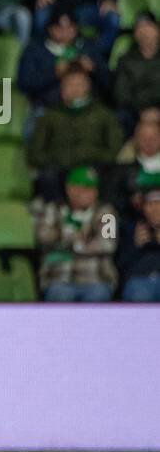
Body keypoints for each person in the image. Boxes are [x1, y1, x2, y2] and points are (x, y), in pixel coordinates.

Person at [28, 63, 123, 201]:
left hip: (94, 166)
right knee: (48, 175)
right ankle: (57, 214)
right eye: (70, 85)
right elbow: (35, 153)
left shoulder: (104, 114)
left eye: (79, 84)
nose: (75, 89)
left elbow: (114, 149)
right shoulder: (49, 116)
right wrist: (60, 158)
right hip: (60, 169)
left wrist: (91, 154)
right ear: (62, 88)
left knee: (112, 174)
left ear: (88, 86)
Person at [37, 166, 117, 302]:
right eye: (83, 188)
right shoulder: (54, 209)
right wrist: (81, 237)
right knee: (60, 295)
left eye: (92, 189)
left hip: (96, 279)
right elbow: (43, 236)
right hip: (60, 278)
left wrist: (71, 243)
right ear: (70, 189)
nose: (88, 193)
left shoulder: (106, 212)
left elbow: (107, 244)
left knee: (98, 295)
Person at [17, 9, 110, 108]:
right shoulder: (35, 51)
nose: (65, 33)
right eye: (59, 28)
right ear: (50, 29)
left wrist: (94, 69)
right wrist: (53, 73)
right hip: (48, 108)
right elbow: (25, 84)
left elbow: (109, 83)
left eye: (70, 27)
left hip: (89, 109)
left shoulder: (87, 47)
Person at [113, 12, 160, 131]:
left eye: (148, 26)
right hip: (135, 112)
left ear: (157, 30)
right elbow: (121, 93)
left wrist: (156, 110)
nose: (144, 32)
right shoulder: (125, 60)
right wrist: (142, 110)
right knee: (121, 115)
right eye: (139, 27)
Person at [119, 188, 160, 301]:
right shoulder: (132, 228)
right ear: (144, 208)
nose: (155, 209)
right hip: (140, 281)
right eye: (150, 204)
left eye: (158, 204)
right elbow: (121, 264)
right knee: (139, 293)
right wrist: (135, 245)